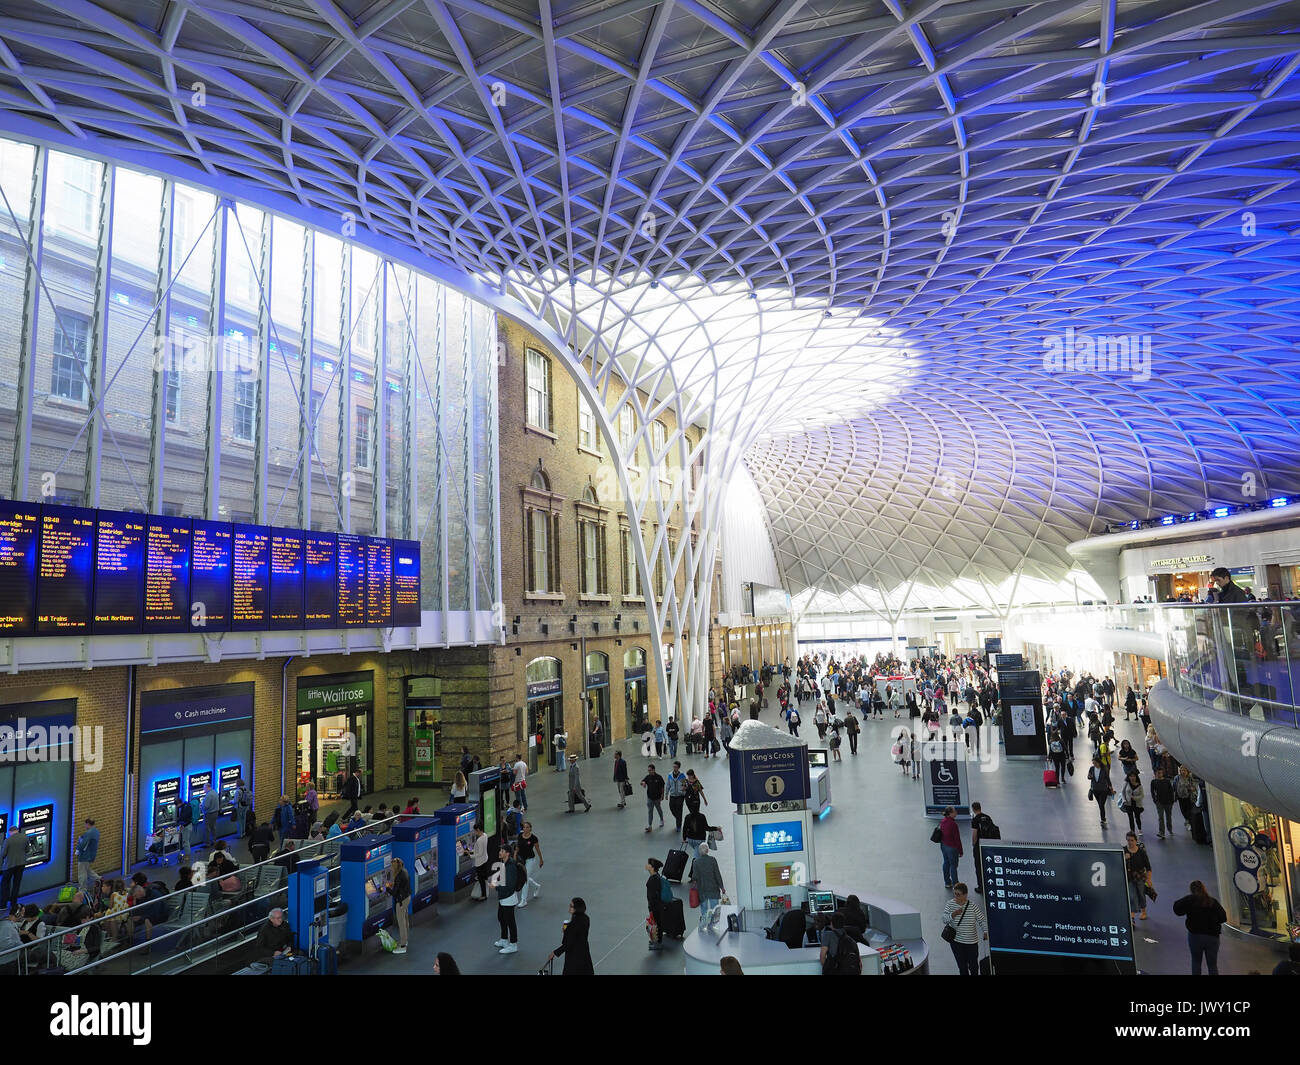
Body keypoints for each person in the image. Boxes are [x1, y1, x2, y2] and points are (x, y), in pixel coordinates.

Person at [1172, 880, 1227, 975]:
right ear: (1203, 888)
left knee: (1196, 962)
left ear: (1191, 890)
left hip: (1195, 937)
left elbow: (1177, 909)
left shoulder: (1190, 900)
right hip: (1212, 938)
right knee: (1212, 965)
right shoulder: (1212, 901)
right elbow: (1223, 917)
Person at [940, 883, 987, 976]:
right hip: (956, 942)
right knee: (962, 966)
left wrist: (985, 931)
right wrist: (953, 914)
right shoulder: (950, 904)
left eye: (958, 894)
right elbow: (944, 919)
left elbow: (982, 920)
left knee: (973, 966)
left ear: (965, 895)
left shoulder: (972, 906)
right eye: (955, 894)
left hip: (971, 943)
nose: (956, 896)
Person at [548, 897, 594, 975]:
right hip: (584, 952)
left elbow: (568, 943)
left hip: (574, 956)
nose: (569, 907)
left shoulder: (573, 924)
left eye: (571, 906)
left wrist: (555, 952)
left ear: (577, 908)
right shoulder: (586, 918)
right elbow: (578, 935)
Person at [494, 843, 525, 954]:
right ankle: (504, 939)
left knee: (510, 921)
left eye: (502, 851)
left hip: (508, 898)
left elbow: (509, 885)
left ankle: (513, 944)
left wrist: (496, 887)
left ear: (507, 853)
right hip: (504, 897)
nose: (499, 852)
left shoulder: (510, 866)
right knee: (501, 918)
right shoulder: (505, 863)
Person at [690, 843, 725, 929]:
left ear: (699, 852)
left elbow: (694, 876)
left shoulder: (696, 862)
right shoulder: (712, 860)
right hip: (713, 888)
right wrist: (721, 886)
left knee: (704, 909)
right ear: (708, 850)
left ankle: (704, 924)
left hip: (702, 889)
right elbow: (717, 874)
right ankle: (712, 925)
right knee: (714, 908)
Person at [1124, 831, 1153, 921]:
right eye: (1128, 840)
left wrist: (1149, 879)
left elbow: (1148, 867)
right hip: (1129, 878)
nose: (1130, 842)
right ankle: (1132, 918)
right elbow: (1117, 864)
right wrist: (1124, 858)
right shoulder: (1123, 850)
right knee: (1132, 896)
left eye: (1132, 840)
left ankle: (1143, 912)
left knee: (1141, 895)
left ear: (1136, 841)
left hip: (1140, 877)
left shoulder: (1141, 852)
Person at [970, 802, 998, 894]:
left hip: (979, 845)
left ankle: (981, 887)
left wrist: (974, 844)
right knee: (989, 865)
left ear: (973, 809)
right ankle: (991, 884)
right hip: (989, 844)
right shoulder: (987, 817)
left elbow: (974, 834)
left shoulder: (975, 819)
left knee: (979, 866)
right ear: (980, 808)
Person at [0, 826, 26, 914]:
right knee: (16, 884)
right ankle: (13, 903)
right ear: (17, 830)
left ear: (10, 832)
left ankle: (3, 905)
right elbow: (28, 850)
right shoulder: (25, 837)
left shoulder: (8, 840)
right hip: (21, 864)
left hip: (9, 866)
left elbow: (3, 854)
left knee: (5, 884)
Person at [388, 857, 410, 955]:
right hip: (407, 898)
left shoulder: (398, 877)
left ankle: (402, 946)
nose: (391, 869)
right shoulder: (404, 871)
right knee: (405, 920)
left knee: (401, 923)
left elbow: (394, 893)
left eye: (392, 867)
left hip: (401, 901)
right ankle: (405, 940)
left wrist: (387, 888)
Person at [516, 821, 543, 905]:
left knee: (525, 879)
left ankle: (523, 900)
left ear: (530, 828)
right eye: (524, 827)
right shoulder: (520, 835)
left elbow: (537, 849)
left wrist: (541, 859)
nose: (525, 829)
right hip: (521, 860)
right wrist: (514, 857)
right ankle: (536, 886)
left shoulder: (533, 838)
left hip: (530, 860)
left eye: (527, 827)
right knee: (524, 877)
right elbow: (517, 847)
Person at [938, 806, 963, 889]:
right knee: (953, 866)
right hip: (952, 847)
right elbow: (957, 839)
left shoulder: (943, 821)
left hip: (943, 845)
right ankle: (956, 883)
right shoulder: (953, 824)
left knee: (946, 862)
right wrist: (960, 850)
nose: (956, 812)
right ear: (950, 813)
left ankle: (947, 882)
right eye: (954, 811)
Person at [645, 857, 668, 949]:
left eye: (649, 865)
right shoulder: (656, 877)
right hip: (657, 905)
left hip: (655, 906)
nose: (647, 866)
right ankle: (656, 940)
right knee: (657, 922)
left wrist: (651, 908)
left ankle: (658, 942)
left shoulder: (654, 879)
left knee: (656, 924)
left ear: (652, 867)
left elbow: (653, 896)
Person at [75, 818, 100, 898]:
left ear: (88, 824)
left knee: (82, 873)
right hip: (90, 855)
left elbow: (83, 844)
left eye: (85, 824)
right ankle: (99, 879)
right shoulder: (96, 831)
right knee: (88, 870)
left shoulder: (89, 833)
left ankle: (82, 889)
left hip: (85, 856)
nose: (85, 826)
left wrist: (78, 850)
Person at [1087, 754, 1113, 828]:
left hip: (1103, 789)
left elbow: (1107, 779)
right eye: (1093, 763)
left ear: (1099, 762)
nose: (1094, 764)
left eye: (1095, 763)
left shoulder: (1104, 769)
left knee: (1101, 804)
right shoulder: (1091, 769)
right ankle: (1103, 817)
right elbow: (1088, 777)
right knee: (1100, 804)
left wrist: (1111, 787)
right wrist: (1090, 777)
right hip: (1095, 789)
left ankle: (1102, 819)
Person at [1150, 767, 1176, 839]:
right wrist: (1155, 800)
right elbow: (1152, 792)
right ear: (1155, 774)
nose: (1159, 774)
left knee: (1168, 816)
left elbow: (1171, 791)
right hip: (1159, 802)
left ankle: (1170, 829)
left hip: (1168, 802)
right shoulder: (1153, 782)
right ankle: (1161, 832)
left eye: (1160, 773)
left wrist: (1172, 800)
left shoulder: (1167, 781)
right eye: (1158, 773)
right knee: (1160, 817)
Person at [641, 763, 666, 832]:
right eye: (648, 770)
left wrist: (662, 795)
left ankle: (661, 819)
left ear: (654, 770)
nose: (649, 772)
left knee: (659, 809)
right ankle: (650, 826)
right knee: (650, 811)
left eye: (650, 770)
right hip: (650, 798)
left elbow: (662, 787)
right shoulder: (648, 777)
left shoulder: (659, 777)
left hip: (657, 798)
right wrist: (643, 783)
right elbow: (642, 781)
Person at [665, 761, 688, 830]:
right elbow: (668, 785)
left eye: (676, 767)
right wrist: (666, 794)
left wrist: (684, 789)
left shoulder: (682, 775)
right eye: (673, 767)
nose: (674, 768)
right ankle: (678, 818)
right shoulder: (670, 775)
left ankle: (678, 825)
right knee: (671, 808)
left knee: (679, 809)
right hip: (672, 795)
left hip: (680, 795)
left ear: (678, 768)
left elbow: (685, 785)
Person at [1121, 770, 1146, 836]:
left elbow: (1142, 795)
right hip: (1128, 804)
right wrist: (1124, 800)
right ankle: (1132, 831)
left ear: (1136, 777)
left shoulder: (1139, 785)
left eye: (1134, 776)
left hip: (1137, 804)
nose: (1132, 778)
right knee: (1130, 818)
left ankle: (1139, 829)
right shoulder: (1126, 783)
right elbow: (1123, 792)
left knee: (1137, 817)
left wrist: (1134, 798)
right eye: (1131, 776)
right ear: (1128, 777)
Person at [470, 824, 491, 901]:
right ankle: (485, 892)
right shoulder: (485, 835)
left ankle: (483, 895)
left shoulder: (479, 840)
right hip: (485, 859)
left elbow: (480, 853)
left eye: (475, 831)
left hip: (480, 862)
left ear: (478, 830)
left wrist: (470, 856)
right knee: (484, 878)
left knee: (481, 879)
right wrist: (472, 851)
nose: (474, 832)